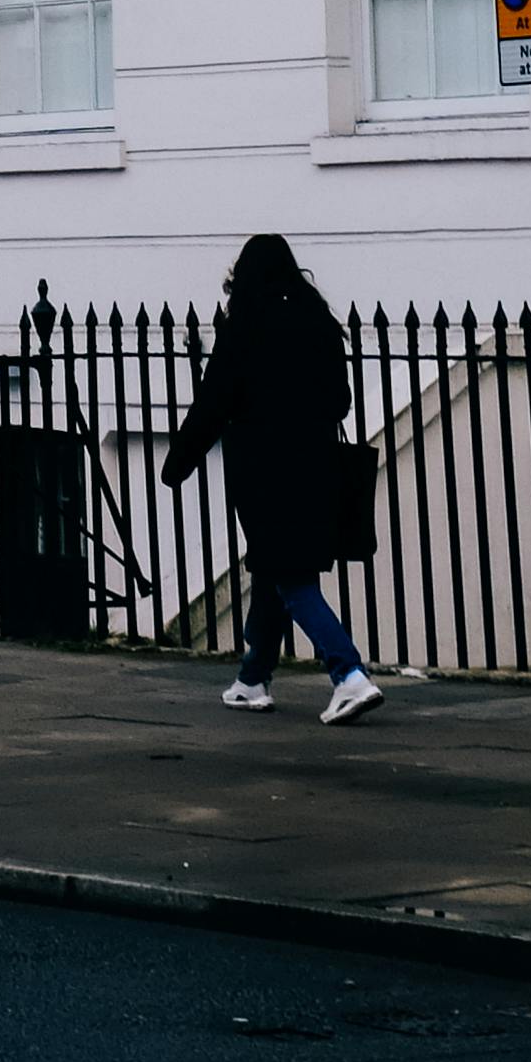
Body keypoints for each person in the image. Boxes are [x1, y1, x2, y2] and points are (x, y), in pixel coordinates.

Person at [166, 234, 380, 721]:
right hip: (317, 463)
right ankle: (252, 678)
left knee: (291, 576)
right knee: (274, 571)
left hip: (264, 469)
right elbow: (340, 401)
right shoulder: (318, 322)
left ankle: (348, 674)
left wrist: (179, 462)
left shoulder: (245, 324)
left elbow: (213, 403)